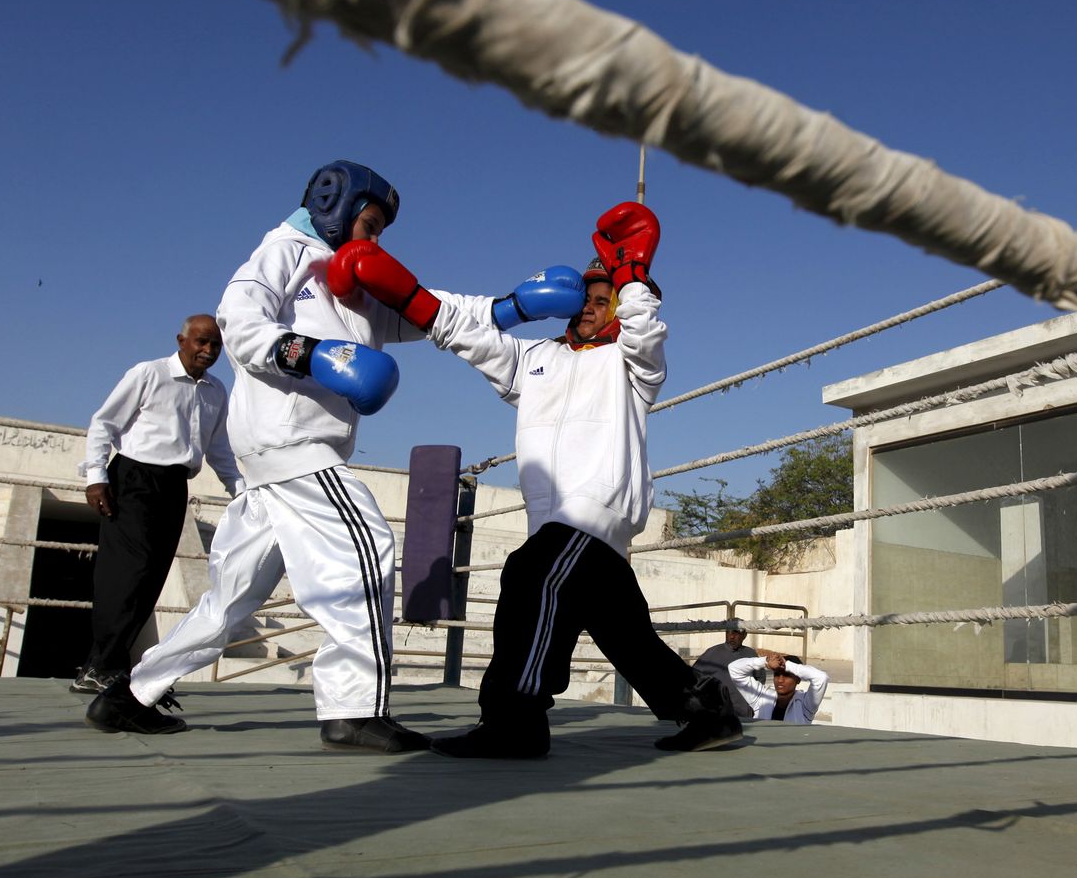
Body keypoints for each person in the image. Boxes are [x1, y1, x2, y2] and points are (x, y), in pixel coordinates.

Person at [337, 201, 744, 757]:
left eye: (604, 302)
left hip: (594, 507)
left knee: (530, 574)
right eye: (585, 299)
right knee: (621, 628)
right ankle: (705, 710)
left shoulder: (631, 365)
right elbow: (471, 337)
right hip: (555, 520)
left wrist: (634, 275)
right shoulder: (535, 360)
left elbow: (647, 333)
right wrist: (411, 297)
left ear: (622, 309)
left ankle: (515, 720)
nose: (589, 309)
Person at [87, 160, 431, 753]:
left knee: (230, 600)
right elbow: (239, 323)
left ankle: (129, 694)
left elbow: (414, 315)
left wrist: (507, 309)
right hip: (294, 446)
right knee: (367, 548)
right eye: (369, 224)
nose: (374, 241)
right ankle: (353, 708)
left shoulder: (352, 277)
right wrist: (318, 357)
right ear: (337, 204)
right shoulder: (285, 250)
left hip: (269, 467)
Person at [73, 315, 244, 694]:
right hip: (133, 479)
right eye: (201, 342)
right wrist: (96, 477)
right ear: (181, 340)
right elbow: (104, 424)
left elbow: (218, 449)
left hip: (174, 486)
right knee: (125, 575)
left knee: (151, 578)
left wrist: (241, 490)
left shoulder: (216, 391)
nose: (208, 351)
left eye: (215, 345)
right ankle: (101, 666)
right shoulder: (148, 374)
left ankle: (103, 666)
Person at [727, 652, 829, 724]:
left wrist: (787, 665)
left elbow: (821, 678)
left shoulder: (805, 705)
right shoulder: (761, 697)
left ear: (798, 680)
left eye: (787, 675)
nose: (780, 680)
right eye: (777, 675)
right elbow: (734, 669)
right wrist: (765, 661)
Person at [692, 628, 758, 720]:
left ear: (744, 635)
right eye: (728, 632)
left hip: (743, 713)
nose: (731, 636)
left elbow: (759, 679)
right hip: (717, 715)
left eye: (736, 633)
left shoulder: (751, 654)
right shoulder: (711, 653)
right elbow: (693, 679)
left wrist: (753, 705)